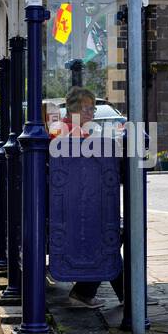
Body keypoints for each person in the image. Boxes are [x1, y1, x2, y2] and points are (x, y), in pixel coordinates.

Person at [54, 86, 124, 308]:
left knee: (112, 235)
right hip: (72, 208)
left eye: (92, 109)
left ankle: (99, 292)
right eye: (87, 109)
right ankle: (100, 293)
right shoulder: (66, 132)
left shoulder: (78, 132)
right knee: (110, 236)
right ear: (74, 109)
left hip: (77, 202)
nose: (91, 114)